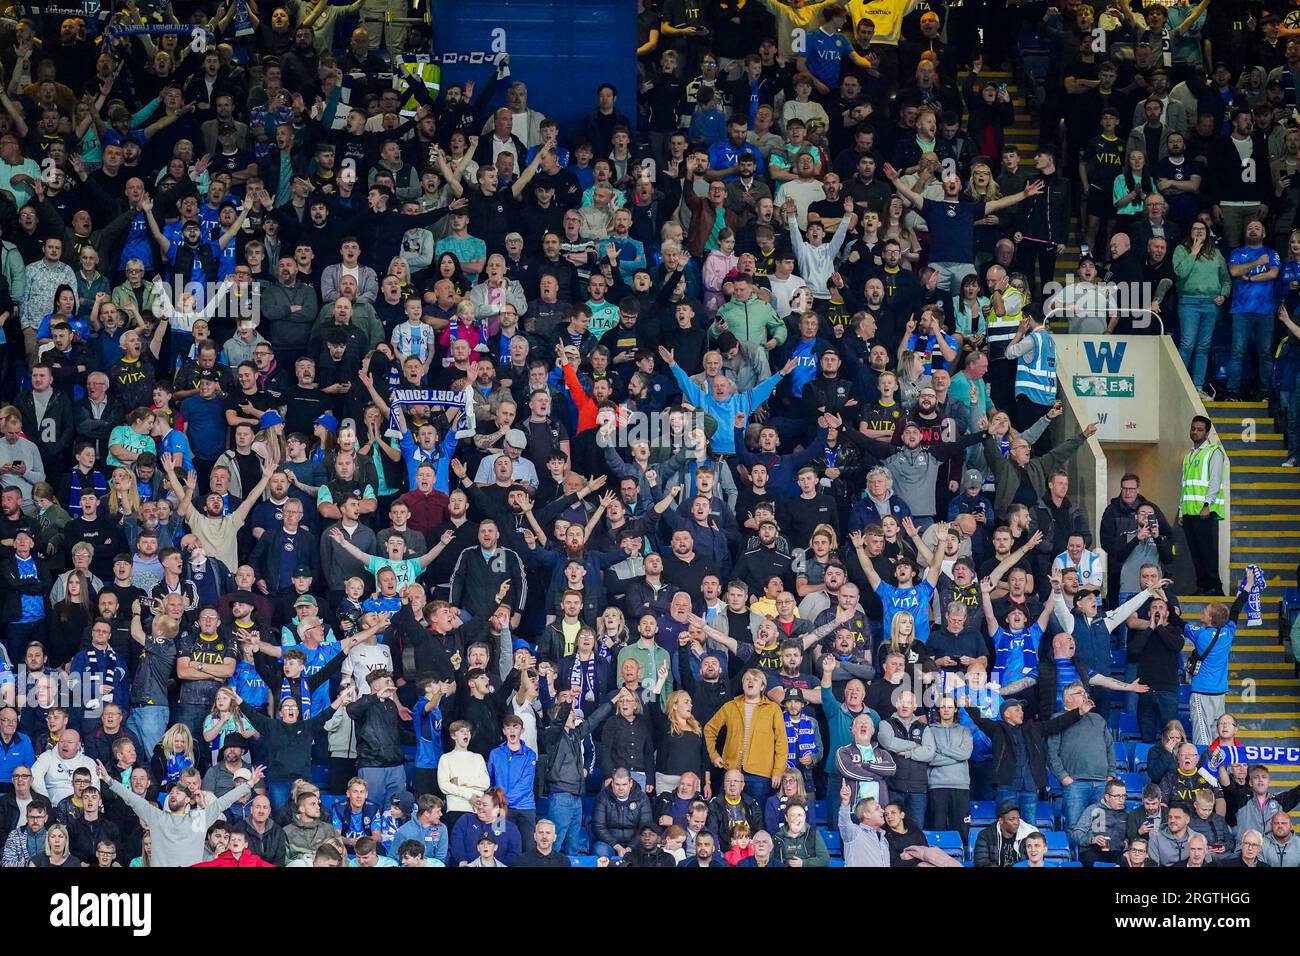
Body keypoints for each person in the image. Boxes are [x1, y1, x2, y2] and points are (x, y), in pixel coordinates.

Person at [1179, 416, 1226, 597]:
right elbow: (1184, 485)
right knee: (1196, 552)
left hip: (1204, 511)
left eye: (1199, 429)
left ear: (1207, 433)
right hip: (1189, 512)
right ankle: (1203, 585)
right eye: (1193, 428)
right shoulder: (1188, 456)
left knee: (1207, 551)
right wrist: (1181, 511)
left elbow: (1214, 481)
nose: (1195, 432)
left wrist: (1207, 504)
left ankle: (1215, 586)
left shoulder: (1214, 452)